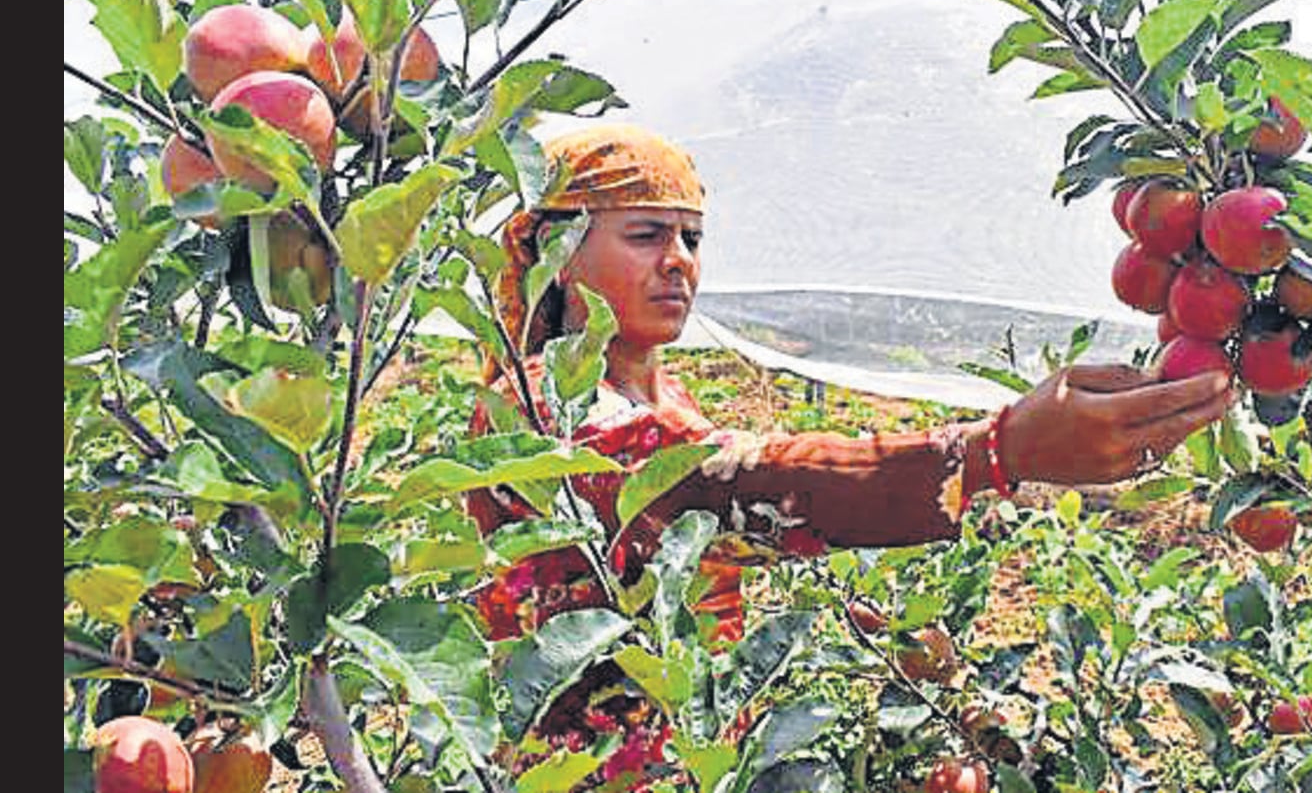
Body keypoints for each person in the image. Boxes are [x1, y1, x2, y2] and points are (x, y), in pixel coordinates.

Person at [461, 124, 1233, 786]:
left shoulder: (664, 399)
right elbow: (741, 480)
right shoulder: (542, 408)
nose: (680, 261)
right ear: (559, 252)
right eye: (645, 234)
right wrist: (994, 451)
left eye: (691, 237)